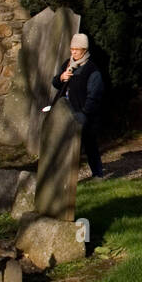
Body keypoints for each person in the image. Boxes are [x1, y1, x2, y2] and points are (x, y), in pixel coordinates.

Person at [53, 33, 105, 179]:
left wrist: (84, 113)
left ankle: (98, 174)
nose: (73, 52)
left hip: (84, 114)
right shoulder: (68, 64)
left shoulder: (91, 69)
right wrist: (61, 77)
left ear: (84, 50)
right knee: (65, 145)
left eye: (77, 49)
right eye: (72, 49)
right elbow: (56, 83)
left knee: (90, 145)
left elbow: (94, 95)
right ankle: (63, 176)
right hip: (66, 111)